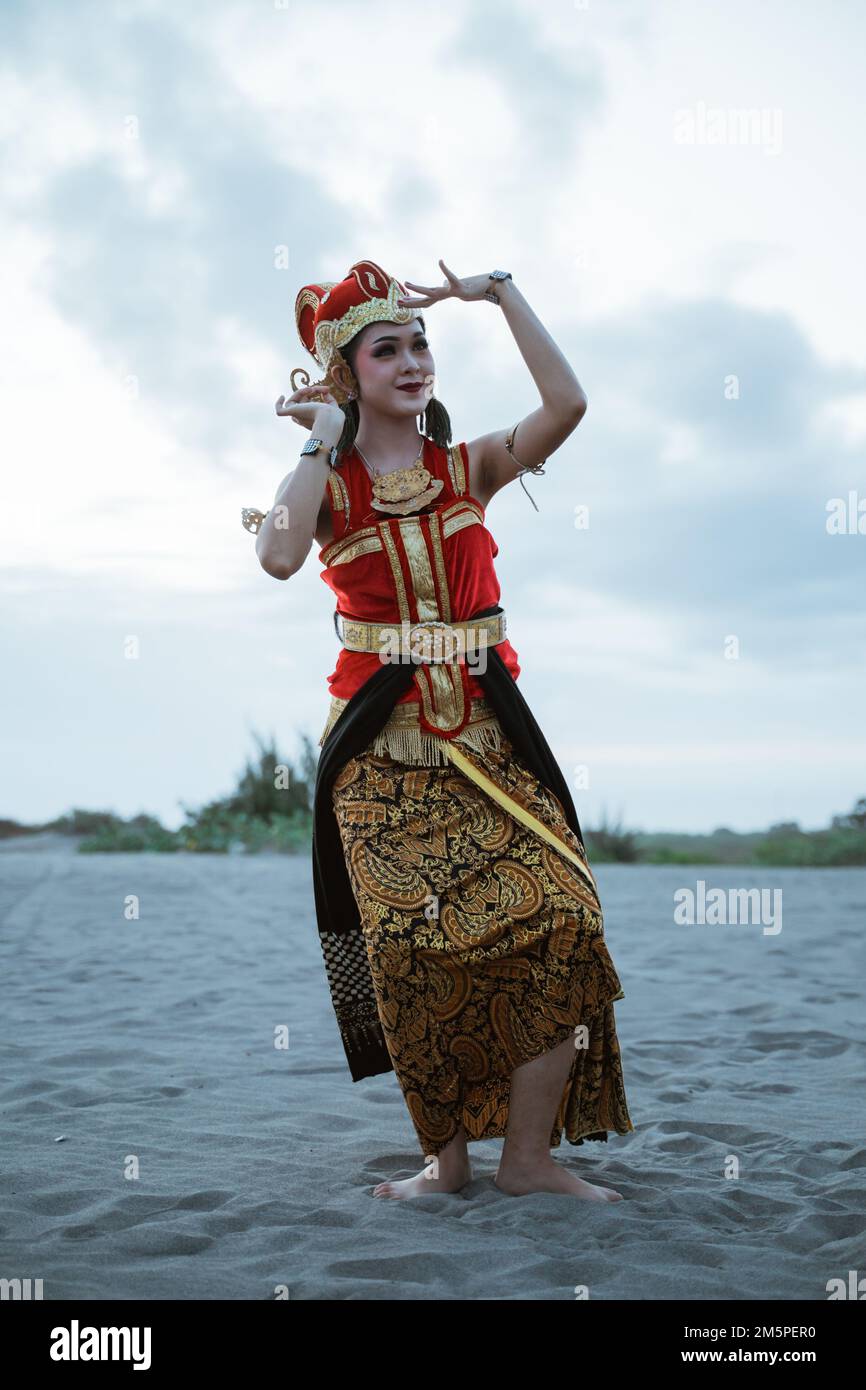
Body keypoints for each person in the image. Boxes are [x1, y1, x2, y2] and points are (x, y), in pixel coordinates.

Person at [244, 257, 634, 1202]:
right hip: (380, 756)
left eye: (420, 343)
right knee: (411, 954)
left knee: (563, 917)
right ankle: (445, 1165)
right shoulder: (329, 487)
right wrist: (319, 444)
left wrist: (498, 294)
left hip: (488, 741)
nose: (414, 359)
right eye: (388, 349)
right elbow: (279, 554)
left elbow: (569, 403)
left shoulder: (470, 467)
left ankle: (529, 1163)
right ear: (349, 374)